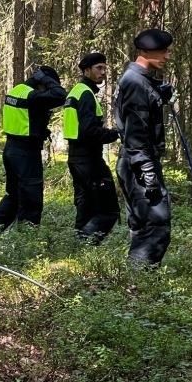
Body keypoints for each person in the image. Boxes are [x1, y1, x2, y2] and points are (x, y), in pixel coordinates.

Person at [114, 29, 175, 265]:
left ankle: (136, 287)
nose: (167, 56)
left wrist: (159, 95)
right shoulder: (136, 82)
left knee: (141, 225)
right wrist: (147, 170)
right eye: (163, 51)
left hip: (135, 161)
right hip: (138, 162)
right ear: (146, 51)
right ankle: (138, 284)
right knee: (156, 224)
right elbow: (135, 130)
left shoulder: (142, 80)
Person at [0, 64, 66, 230]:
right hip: (26, 153)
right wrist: (47, 80)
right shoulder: (32, 96)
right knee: (31, 198)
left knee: (13, 197)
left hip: (11, 150)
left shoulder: (16, 90)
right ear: (41, 82)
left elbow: (27, 117)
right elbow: (60, 95)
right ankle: (27, 236)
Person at [63, 52, 121, 243]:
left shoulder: (76, 92)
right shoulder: (85, 94)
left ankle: (79, 247)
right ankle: (86, 243)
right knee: (108, 210)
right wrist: (116, 134)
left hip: (77, 158)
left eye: (105, 68)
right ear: (86, 70)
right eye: (99, 68)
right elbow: (90, 132)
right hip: (89, 160)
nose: (103, 72)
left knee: (85, 205)